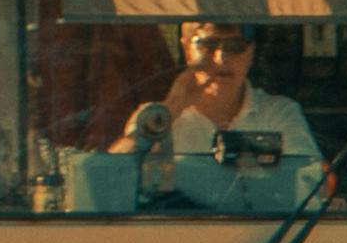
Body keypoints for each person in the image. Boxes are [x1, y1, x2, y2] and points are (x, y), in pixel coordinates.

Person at [126, 19, 326, 214]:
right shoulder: (154, 120)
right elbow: (115, 185)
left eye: (235, 46)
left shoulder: (279, 113)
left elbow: (310, 190)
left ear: (251, 52)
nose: (221, 58)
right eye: (207, 45)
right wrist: (171, 109)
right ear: (187, 49)